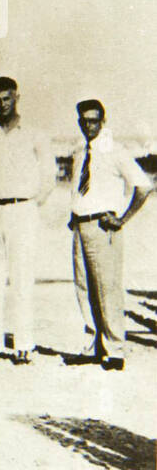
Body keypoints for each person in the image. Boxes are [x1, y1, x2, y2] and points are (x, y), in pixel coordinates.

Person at [62, 99, 152, 371]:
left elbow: (143, 186)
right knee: (84, 287)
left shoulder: (116, 151)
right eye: (84, 120)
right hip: (81, 226)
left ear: (103, 121)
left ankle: (114, 350)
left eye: (94, 120)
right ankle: (93, 346)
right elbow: (81, 189)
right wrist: (74, 215)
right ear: (79, 121)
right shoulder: (80, 152)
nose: (89, 125)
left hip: (104, 227)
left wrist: (122, 218)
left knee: (107, 289)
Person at [0, 77, 54, 365]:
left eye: (8, 98)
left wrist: (28, 204)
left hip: (23, 211)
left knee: (21, 279)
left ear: (17, 97)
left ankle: (24, 344)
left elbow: (48, 178)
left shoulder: (35, 134)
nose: (3, 104)